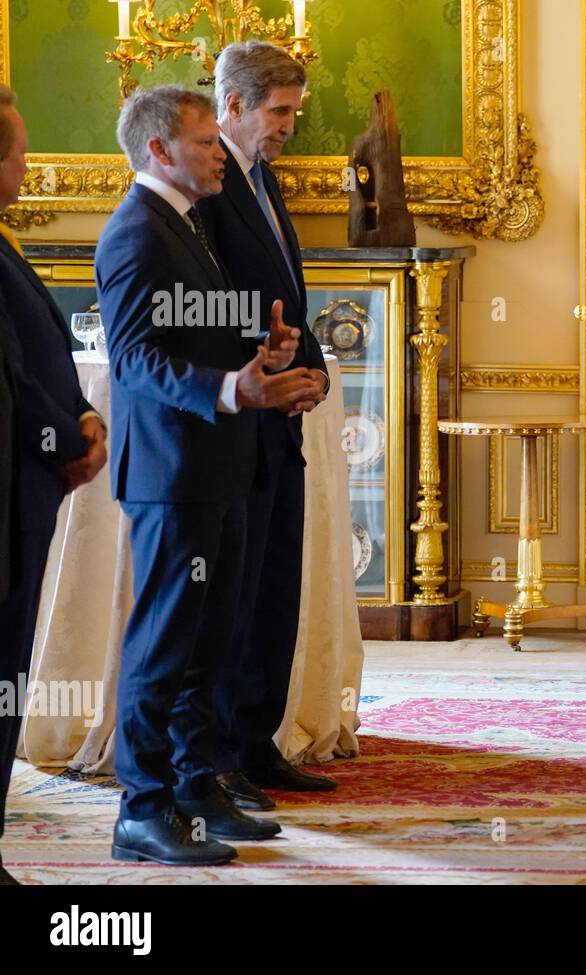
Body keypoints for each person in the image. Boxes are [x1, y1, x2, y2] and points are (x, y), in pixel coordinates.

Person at [95, 84, 318, 865]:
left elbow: (194, 331)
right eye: (203, 142)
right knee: (164, 644)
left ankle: (195, 786)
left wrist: (265, 357)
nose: (219, 152)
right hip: (173, 471)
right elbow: (135, 359)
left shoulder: (188, 224)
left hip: (218, 464)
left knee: (209, 641)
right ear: (159, 149)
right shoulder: (135, 232)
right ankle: (141, 807)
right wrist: (234, 389)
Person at [197, 40, 335, 812]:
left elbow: (283, 291)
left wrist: (308, 369)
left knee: (276, 584)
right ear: (236, 106)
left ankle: (257, 744)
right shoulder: (208, 180)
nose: (288, 126)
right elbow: (211, 302)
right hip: (239, 416)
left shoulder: (261, 177)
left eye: (294, 111)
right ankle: (218, 760)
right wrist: (271, 371)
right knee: (234, 600)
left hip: (279, 415)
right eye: (279, 112)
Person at [0, 84, 107, 885]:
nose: (28, 163)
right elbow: (8, 376)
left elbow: (45, 357)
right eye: (18, 150)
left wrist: (80, 418)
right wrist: (67, 439)